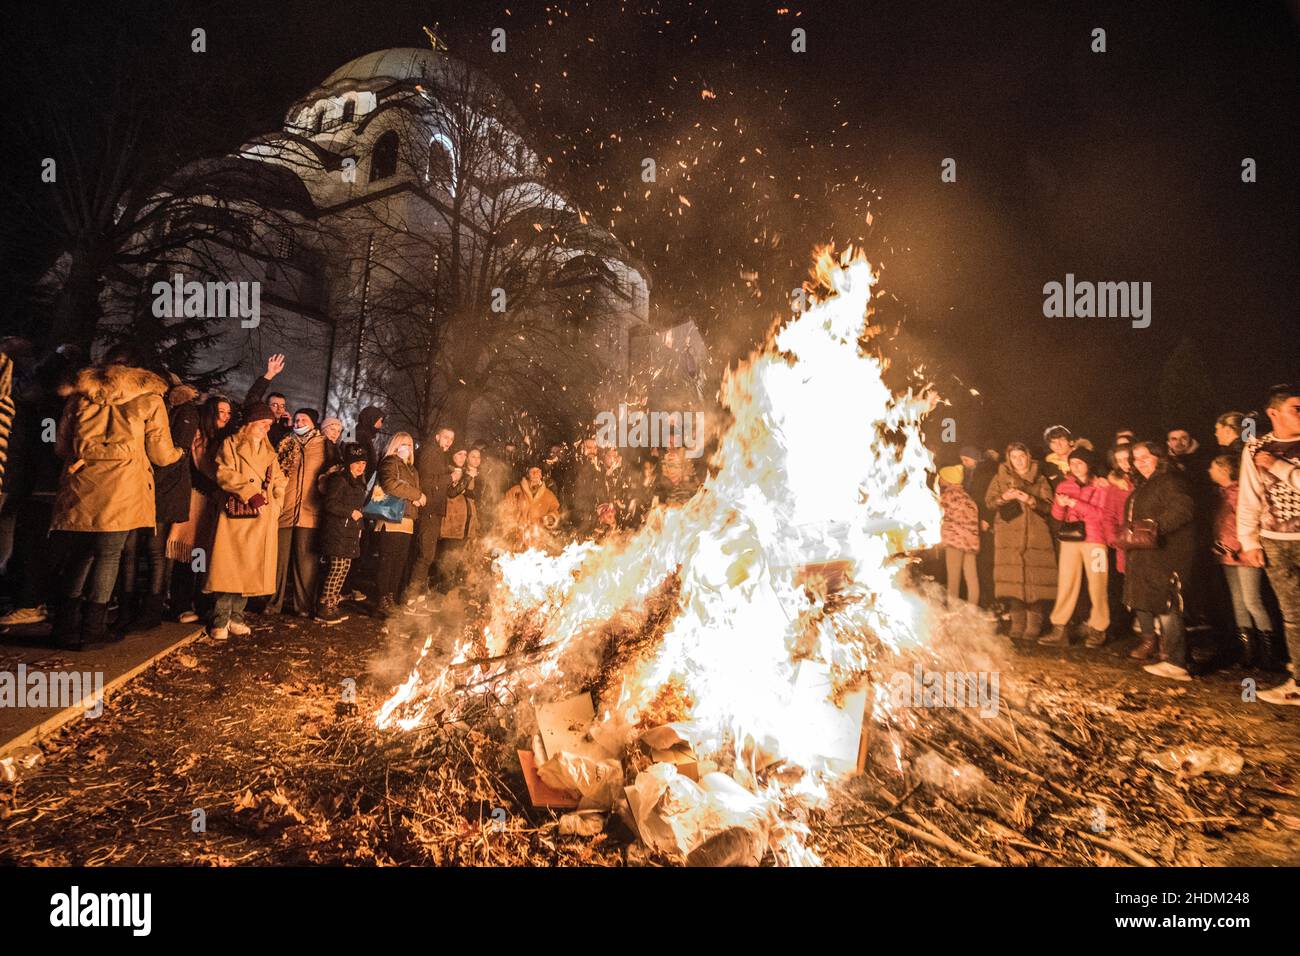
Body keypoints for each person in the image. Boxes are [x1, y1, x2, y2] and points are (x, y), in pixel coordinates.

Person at [49, 350, 183, 648]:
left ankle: (64, 625)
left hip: (82, 483)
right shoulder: (150, 398)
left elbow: (60, 446)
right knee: (109, 555)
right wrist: (178, 454)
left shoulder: (80, 396)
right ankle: (93, 629)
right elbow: (161, 453)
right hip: (123, 486)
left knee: (81, 554)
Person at [115, 373, 201, 634]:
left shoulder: (184, 410)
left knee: (154, 550)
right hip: (136, 485)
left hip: (163, 490)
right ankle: (125, 607)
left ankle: (151, 609)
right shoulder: (145, 404)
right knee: (128, 550)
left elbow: (176, 453)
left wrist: (146, 475)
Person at [1238, 384, 1300, 705]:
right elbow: (1249, 498)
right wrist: (1248, 541)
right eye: (1296, 409)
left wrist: (1277, 466)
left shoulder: (1269, 456)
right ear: (1273, 413)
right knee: (1292, 614)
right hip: (1276, 540)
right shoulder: (1254, 448)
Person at [204, 403, 287, 639]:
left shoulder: (269, 451)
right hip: (236, 514)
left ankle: (237, 616)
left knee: (248, 568)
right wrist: (252, 495)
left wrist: (276, 502)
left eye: (268, 425)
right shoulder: (231, 443)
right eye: (263, 423)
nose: (266, 428)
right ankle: (220, 618)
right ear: (250, 424)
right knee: (226, 567)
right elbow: (224, 472)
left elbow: (280, 479)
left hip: (261, 517)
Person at [1123, 442, 1196, 680]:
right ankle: (1171, 656)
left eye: (1146, 456)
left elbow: (1184, 509)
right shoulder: (1147, 484)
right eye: (1136, 458)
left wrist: (1154, 529)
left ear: (1159, 457)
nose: (1140, 461)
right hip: (1149, 555)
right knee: (1157, 602)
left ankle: (1177, 662)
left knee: (1168, 605)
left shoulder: (1169, 480)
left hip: (1168, 554)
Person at [1210, 453, 1278, 669]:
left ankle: (1270, 653)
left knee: (1252, 601)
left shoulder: (1239, 492)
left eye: (1212, 467)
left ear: (1223, 469)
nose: (1209, 471)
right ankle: (1249, 652)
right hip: (1228, 555)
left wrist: (1234, 545)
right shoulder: (1223, 494)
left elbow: (1246, 521)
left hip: (1244, 554)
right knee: (1239, 602)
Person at [166, 394, 230, 623]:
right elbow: (190, 469)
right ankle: (180, 603)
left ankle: (199, 601)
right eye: (221, 411)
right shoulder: (196, 436)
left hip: (211, 503)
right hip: (194, 499)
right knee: (186, 552)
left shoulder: (222, 440)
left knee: (201, 554)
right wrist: (210, 487)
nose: (225, 416)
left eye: (228, 412)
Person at [984, 442, 1056, 641]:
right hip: (1009, 536)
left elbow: (1050, 506)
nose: (1018, 461)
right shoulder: (1000, 478)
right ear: (1009, 459)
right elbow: (989, 502)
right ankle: (1017, 623)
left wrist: (1030, 499)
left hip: (1035, 535)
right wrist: (1004, 497)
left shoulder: (1040, 478)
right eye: (1014, 457)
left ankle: (1034, 625)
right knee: (1013, 581)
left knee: (1035, 580)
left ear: (1028, 456)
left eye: (1021, 456)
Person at [1044, 448, 1111, 647]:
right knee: (1066, 583)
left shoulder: (1101, 486)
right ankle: (1059, 628)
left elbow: (1100, 515)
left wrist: (1074, 503)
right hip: (1070, 540)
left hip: (1096, 540)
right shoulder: (1065, 485)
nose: (1076, 466)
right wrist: (1059, 502)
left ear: (1089, 464)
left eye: (1080, 462)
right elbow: (1057, 516)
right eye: (1073, 463)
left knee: (1098, 585)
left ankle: (1099, 628)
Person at [268, 408, 327, 616]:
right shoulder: (285, 443)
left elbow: (333, 472)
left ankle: (303, 606)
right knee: (278, 561)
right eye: (297, 418)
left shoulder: (324, 445)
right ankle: (271, 603)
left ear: (314, 423)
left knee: (306, 563)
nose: (298, 422)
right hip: (285, 509)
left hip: (310, 512)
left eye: (304, 419)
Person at [315, 443, 371, 625]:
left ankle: (332, 604)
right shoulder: (339, 480)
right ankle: (324, 606)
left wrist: (360, 527)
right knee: (336, 568)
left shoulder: (359, 483)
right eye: (356, 463)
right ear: (348, 463)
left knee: (344, 569)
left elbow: (359, 509)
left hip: (350, 532)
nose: (360, 466)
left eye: (363, 463)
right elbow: (330, 504)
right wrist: (350, 512)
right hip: (337, 531)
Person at [371, 432, 425, 615]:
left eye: (410, 445)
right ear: (395, 445)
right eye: (403, 444)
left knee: (399, 562)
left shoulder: (412, 469)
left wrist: (415, 499)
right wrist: (416, 496)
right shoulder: (390, 462)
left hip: (406, 519)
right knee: (388, 560)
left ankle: (390, 598)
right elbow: (390, 484)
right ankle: (381, 600)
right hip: (390, 518)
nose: (407, 448)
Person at [406, 425, 454, 608]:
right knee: (425, 555)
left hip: (434, 511)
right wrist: (450, 478)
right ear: (437, 437)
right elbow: (426, 482)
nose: (448, 441)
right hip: (429, 511)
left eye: (451, 439)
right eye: (446, 437)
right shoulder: (430, 453)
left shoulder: (439, 455)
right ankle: (411, 598)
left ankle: (417, 596)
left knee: (427, 555)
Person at [435, 449, 479, 593]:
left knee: (456, 562)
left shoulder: (464, 473)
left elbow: (473, 495)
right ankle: (438, 595)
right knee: (446, 562)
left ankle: (448, 595)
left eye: (464, 454)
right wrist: (467, 479)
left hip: (464, 525)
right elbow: (452, 492)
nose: (463, 457)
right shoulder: (449, 470)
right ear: (452, 455)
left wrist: (465, 486)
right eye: (459, 453)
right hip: (451, 524)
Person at [938, 465, 980, 605]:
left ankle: (953, 612)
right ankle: (972, 610)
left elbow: (938, 515)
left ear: (948, 480)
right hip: (970, 542)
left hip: (954, 541)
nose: (940, 480)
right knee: (971, 577)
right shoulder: (968, 498)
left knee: (953, 578)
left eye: (942, 477)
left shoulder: (947, 497)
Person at [501, 466, 561, 551]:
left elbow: (555, 510)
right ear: (528, 474)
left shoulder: (549, 495)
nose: (535, 474)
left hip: (539, 539)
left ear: (541, 475)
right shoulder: (516, 491)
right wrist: (511, 525)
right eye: (532, 471)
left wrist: (551, 517)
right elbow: (504, 509)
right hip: (517, 538)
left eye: (538, 471)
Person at [243, 354, 292, 448]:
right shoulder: (260, 423)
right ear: (266, 405)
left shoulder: (285, 428)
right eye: (274, 405)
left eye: (282, 406)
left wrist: (290, 427)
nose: (279, 409)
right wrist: (270, 374)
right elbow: (253, 397)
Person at [354, 406, 385, 477]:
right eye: (380, 420)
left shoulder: (364, 435)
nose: (381, 424)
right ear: (371, 419)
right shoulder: (361, 436)